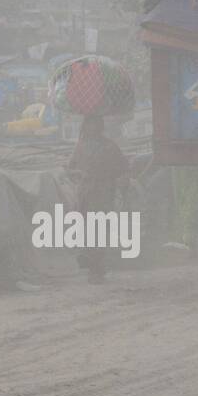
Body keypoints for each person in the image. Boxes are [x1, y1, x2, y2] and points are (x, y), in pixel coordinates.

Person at [67, 114, 129, 283]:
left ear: (100, 126)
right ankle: (93, 266)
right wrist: (78, 175)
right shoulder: (80, 146)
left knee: (100, 231)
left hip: (103, 194)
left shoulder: (110, 146)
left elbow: (123, 168)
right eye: (89, 124)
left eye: (95, 124)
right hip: (85, 194)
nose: (91, 128)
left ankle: (97, 269)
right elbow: (70, 169)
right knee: (87, 231)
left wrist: (119, 184)